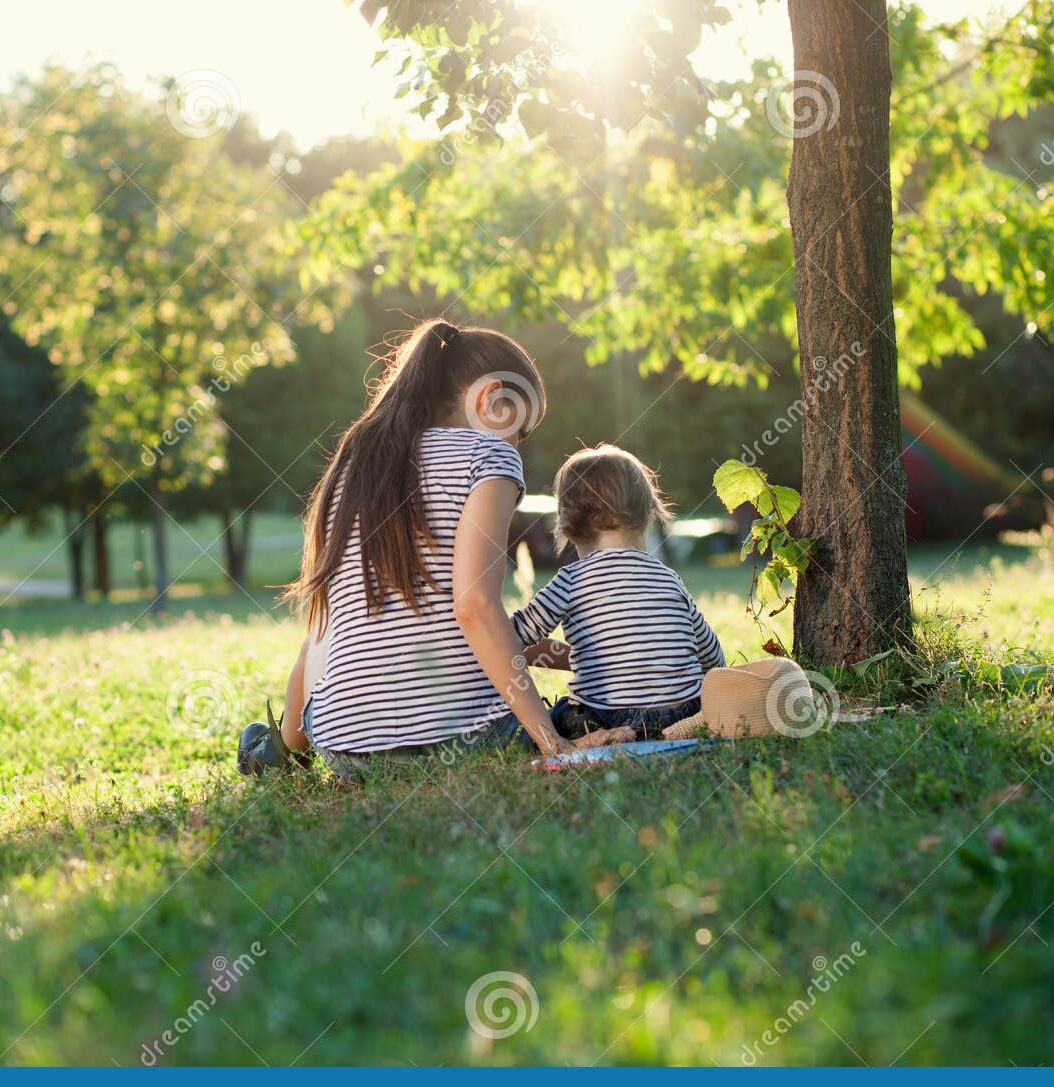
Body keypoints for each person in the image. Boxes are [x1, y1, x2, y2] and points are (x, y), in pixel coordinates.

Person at [237, 318, 572, 781]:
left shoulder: (354, 465)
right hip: (471, 739)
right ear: (491, 399)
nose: (519, 443)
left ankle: (280, 751)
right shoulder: (489, 455)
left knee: (326, 629)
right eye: (523, 429)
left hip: (347, 750)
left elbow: (323, 629)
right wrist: (551, 740)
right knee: (572, 711)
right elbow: (474, 607)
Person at [514, 444, 725, 743]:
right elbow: (711, 654)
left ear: (567, 528)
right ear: (647, 516)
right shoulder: (668, 576)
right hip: (684, 714)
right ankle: (652, 732)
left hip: (604, 717)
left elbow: (513, 634)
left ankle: (617, 735)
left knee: (561, 712)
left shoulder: (570, 580)